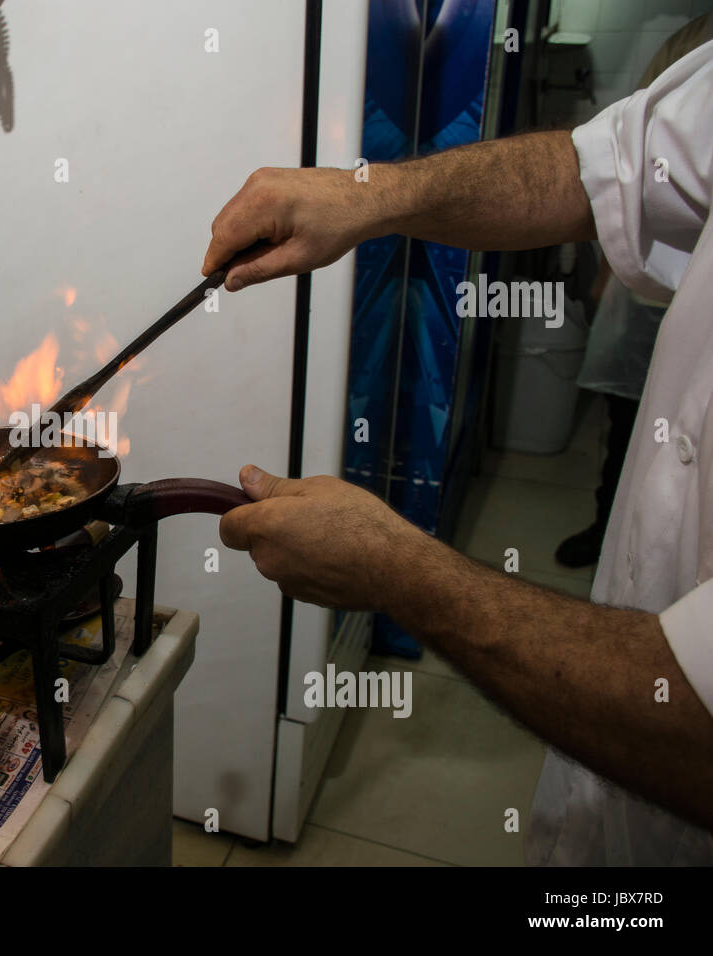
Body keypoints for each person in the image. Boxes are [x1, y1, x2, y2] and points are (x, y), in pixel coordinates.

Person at [205, 42, 713, 864]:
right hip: (602, 809)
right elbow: (606, 167)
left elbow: (697, 727)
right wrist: (365, 194)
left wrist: (395, 571)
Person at [556, 15, 713, 569]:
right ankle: (608, 531)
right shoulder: (687, 57)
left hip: (695, 311)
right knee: (628, 426)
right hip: (643, 300)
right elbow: (624, 192)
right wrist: (604, 281)